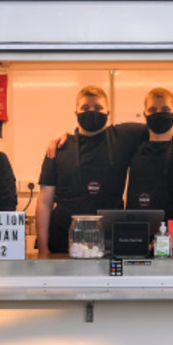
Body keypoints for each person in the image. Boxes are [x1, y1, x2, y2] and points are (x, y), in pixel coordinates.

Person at [36, 85, 147, 256]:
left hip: (109, 240)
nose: (92, 112)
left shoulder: (123, 137)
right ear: (76, 113)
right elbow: (44, 201)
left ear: (108, 112)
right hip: (63, 240)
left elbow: (162, 130)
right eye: (85, 108)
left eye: (98, 108)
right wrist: (43, 248)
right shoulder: (59, 148)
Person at [125, 88, 173, 220]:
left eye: (165, 110)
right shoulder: (133, 144)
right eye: (153, 110)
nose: (158, 114)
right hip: (137, 229)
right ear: (145, 115)